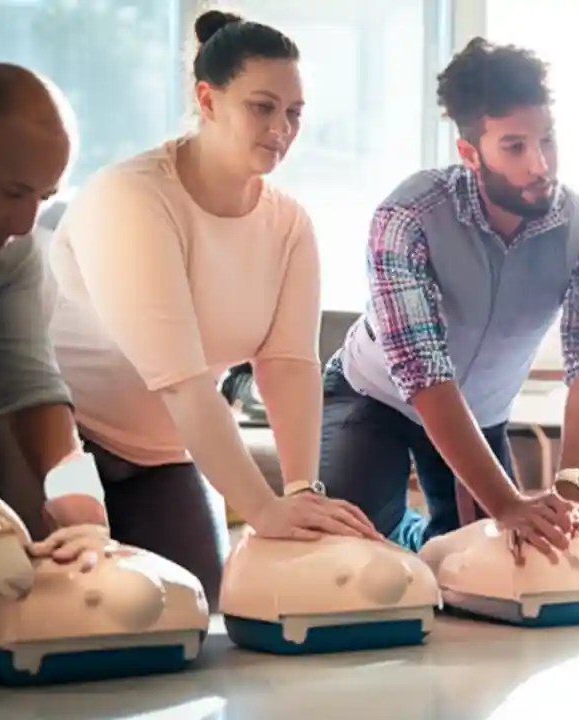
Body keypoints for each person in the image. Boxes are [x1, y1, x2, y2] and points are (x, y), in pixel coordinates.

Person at [44, 10, 379, 604]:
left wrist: (301, 492)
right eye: (262, 107)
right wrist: (262, 511)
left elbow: (288, 364)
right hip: (63, 439)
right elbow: (181, 380)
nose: (281, 128)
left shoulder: (289, 223)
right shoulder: (133, 197)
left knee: (199, 603)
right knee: (82, 604)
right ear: (207, 99)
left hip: (165, 455)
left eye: (294, 112)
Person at [320, 38, 579, 561]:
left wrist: (569, 492)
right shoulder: (407, 217)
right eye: (515, 147)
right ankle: (395, 534)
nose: (541, 165)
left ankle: (423, 540)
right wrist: (507, 502)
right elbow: (423, 371)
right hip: (374, 396)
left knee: (489, 560)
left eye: (547, 140)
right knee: (351, 549)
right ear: (470, 154)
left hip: (480, 414)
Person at [0, 63, 111, 556]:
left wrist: (77, 489)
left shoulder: (15, 253)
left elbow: (32, 384)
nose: (25, 223)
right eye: (13, 193)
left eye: (44, 197)